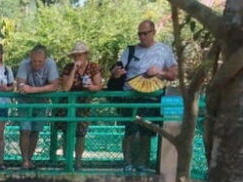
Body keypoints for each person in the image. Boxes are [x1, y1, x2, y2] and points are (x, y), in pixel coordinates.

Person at [111, 20, 177, 172]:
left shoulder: (164, 50)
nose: (142, 37)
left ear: (153, 32)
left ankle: (142, 164)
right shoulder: (130, 50)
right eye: (139, 34)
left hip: (152, 97)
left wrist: (159, 72)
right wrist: (116, 73)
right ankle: (127, 164)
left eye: (145, 33)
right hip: (130, 95)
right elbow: (118, 69)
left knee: (146, 131)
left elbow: (174, 74)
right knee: (130, 130)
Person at [57, 41, 103, 170]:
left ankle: (78, 161)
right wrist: (74, 70)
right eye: (75, 56)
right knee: (67, 133)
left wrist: (92, 87)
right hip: (68, 104)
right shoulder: (68, 67)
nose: (77, 58)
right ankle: (67, 160)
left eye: (80, 55)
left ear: (86, 55)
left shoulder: (93, 67)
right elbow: (66, 88)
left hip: (84, 104)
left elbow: (99, 85)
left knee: (81, 134)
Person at [16, 45, 60, 170]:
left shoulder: (51, 64)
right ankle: (24, 160)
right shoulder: (24, 64)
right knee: (25, 130)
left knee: (36, 130)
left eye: (40, 61)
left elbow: (55, 85)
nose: (36, 64)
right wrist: (30, 89)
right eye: (34, 61)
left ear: (45, 59)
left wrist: (33, 90)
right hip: (25, 100)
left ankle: (29, 159)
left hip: (41, 101)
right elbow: (20, 84)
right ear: (30, 57)